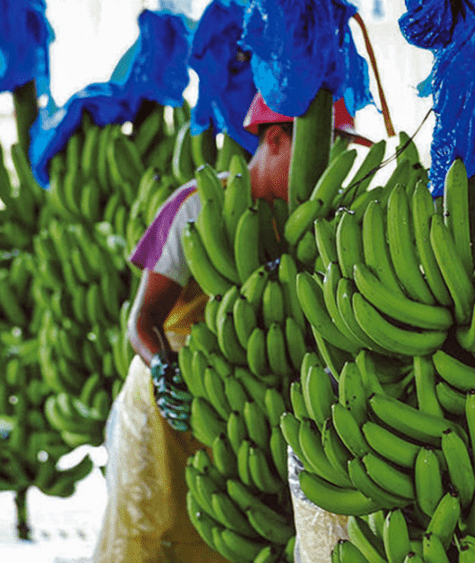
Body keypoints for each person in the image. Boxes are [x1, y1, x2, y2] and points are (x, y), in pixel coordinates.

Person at [93, 92, 369, 563]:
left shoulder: (319, 229)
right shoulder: (199, 206)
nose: (325, 174)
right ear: (277, 140)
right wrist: (165, 370)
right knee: (152, 536)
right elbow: (142, 321)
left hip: (253, 417)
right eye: (319, 154)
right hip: (171, 406)